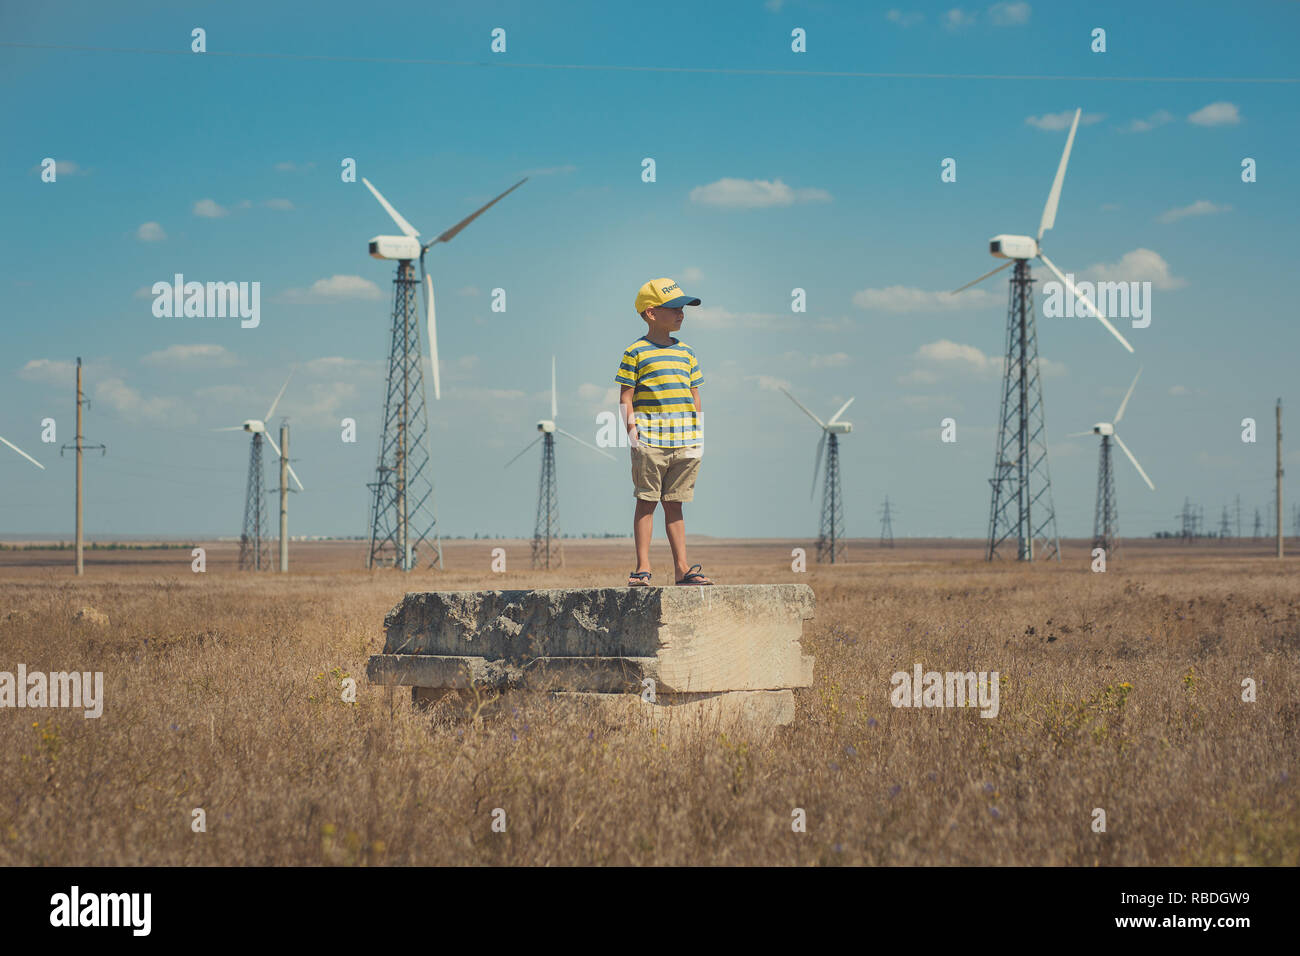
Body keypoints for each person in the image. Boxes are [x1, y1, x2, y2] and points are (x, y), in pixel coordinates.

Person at [615, 278, 713, 587]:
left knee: (675, 503)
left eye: (682, 308)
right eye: (673, 308)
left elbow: (694, 394)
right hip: (650, 440)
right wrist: (633, 432)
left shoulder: (687, 353)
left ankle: (683, 569)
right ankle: (642, 568)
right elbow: (625, 397)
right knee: (646, 501)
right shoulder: (636, 353)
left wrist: (696, 429)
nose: (681, 313)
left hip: (684, 441)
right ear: (651, 313)